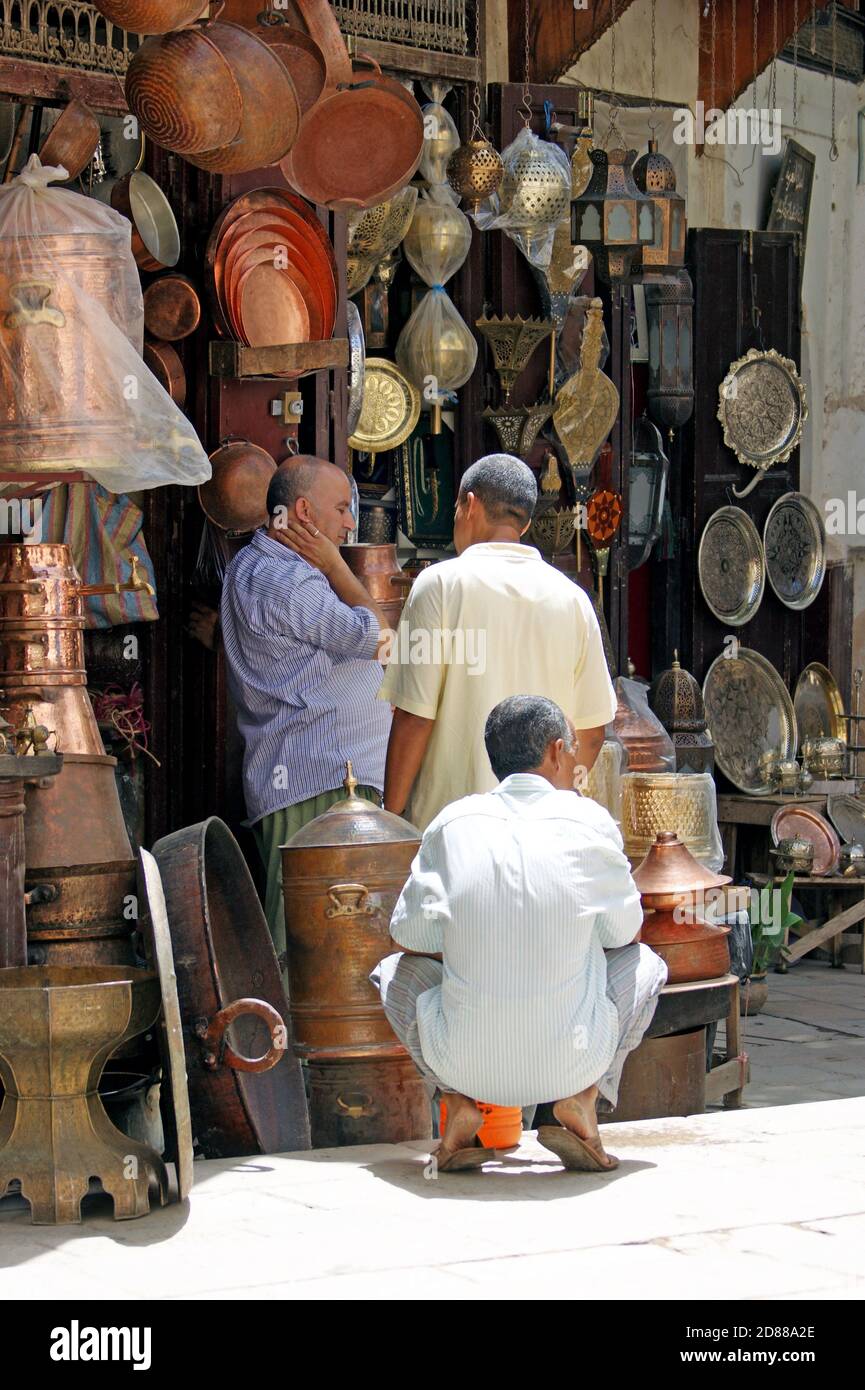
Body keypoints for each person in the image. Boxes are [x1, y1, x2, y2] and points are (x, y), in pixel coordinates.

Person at [371, 695, 667, 1174]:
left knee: (392, 973)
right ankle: (585, 1097)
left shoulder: (453, 823)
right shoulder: (588, 821)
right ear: (555, 752)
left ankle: (457, 1103)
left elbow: (409, 936)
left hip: (461, 1062)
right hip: (576, 1059)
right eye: (571, 751)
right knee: (649, 965)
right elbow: (625, 931)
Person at [379, 452, 617, 832]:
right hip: (543, 836)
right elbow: (591, 731)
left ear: (469, 505)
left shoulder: (438, 585)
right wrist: (560, 807)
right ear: (522, 525)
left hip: (452, 834)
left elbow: (413, 717)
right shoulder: (573, 599)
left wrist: (389, 818)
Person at [220, 456, 392, 958]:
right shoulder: (287, 580)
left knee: (323, 940)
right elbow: (382, 641)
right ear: (303, 511)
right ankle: (285, 1036)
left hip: (310, 780)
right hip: (317, 781)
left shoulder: (258, 567)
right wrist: (337, 566)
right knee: (306, 946)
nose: (349, 522)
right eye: (341, 508)